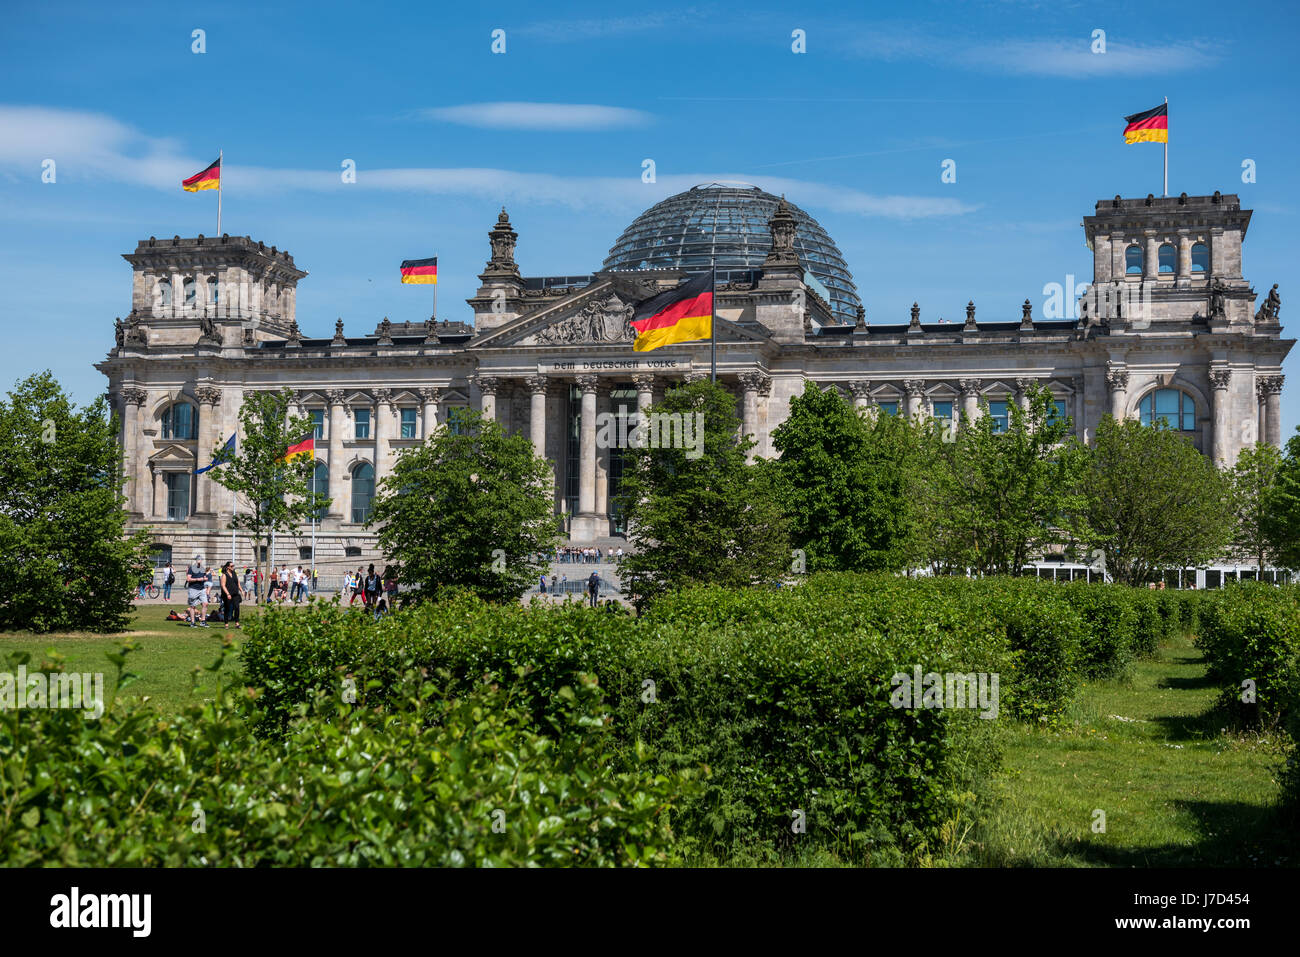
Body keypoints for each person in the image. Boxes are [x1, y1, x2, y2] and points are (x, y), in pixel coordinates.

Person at [185, 556, 208, 627]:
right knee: (193, 606)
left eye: (201, 560)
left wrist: (205, 579)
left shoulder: (203, 569)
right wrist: (198, 579)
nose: (199, 561)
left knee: (205, 604)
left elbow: (203, 577)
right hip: (193, 589)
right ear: (196, 560)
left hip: (202, 589)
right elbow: (188, 579)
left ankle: (203, 621)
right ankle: (192, 622)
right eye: (198, 559)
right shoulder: (191, 568)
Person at [220, 560, 242, 627]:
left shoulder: (234, 573)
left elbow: (238, 583)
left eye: (233, 566)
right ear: (228, 567)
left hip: (235, 594)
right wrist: (228, 594)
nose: (233, 567)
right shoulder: (224, 575)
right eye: (231, 566)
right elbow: (223, 585)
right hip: (227, 594)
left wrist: (241, 590)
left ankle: (237, 623)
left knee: (237, 608)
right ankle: (226, 623)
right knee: (227, 608)